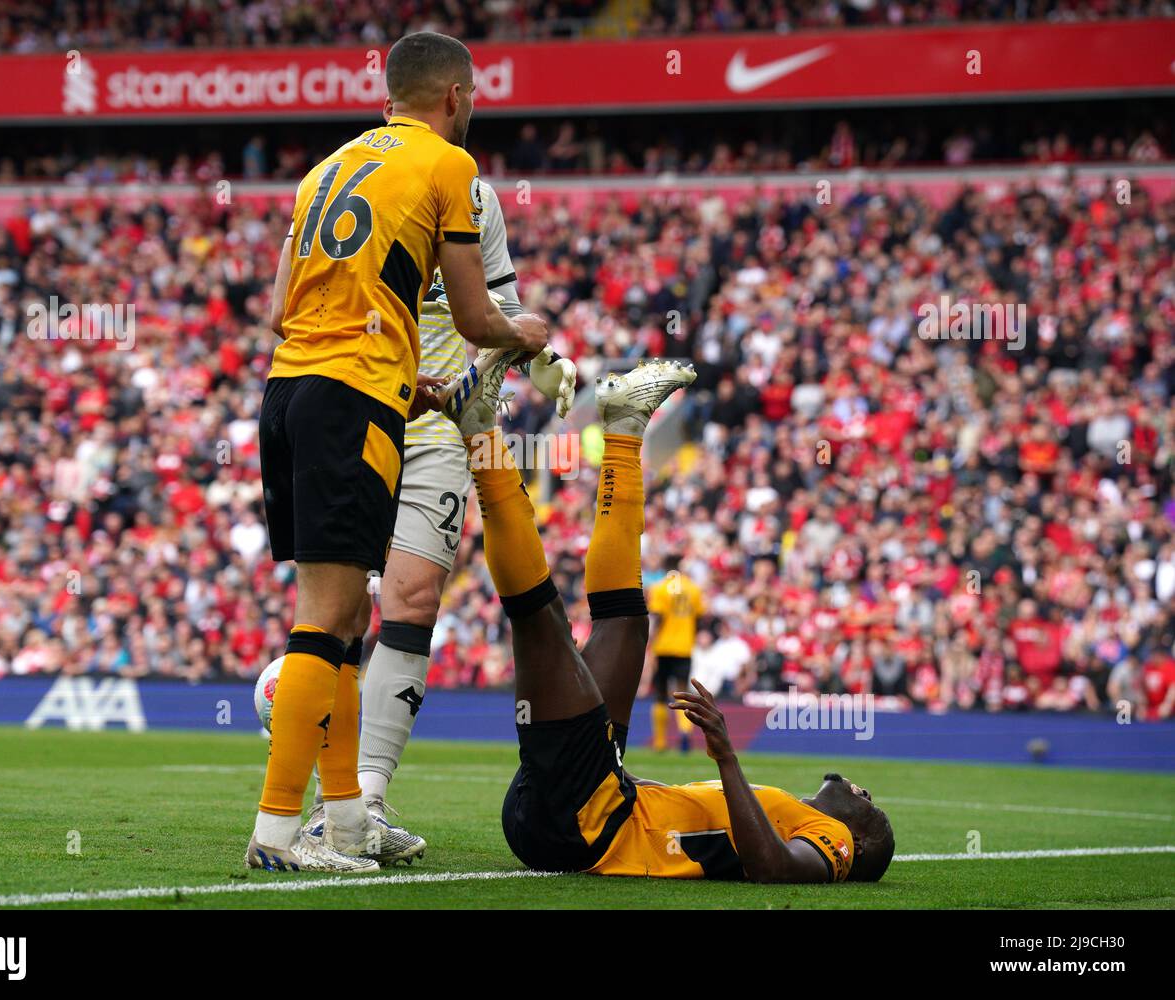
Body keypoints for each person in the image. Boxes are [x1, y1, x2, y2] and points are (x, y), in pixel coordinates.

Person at [248, 31, 548, 875]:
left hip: (293, 392)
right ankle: (276, 832)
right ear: (453, 96)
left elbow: (279, 314)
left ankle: (345, 824)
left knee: (344, 620)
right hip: (353, 399)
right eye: (475, 93)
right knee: (325, 620)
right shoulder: (451, 166)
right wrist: (525, 334)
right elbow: (480, 317)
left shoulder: (327, 170)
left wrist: (396, 384)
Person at [451, 358, 895, 882]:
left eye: (874, 811)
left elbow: (774, 869)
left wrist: (727, 757)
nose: (862, 791)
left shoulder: (834, 839)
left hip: (585, 827)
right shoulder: (780, 810)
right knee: (624, 619)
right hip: (596, 806)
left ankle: (480, 429)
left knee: (542, 621)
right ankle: (623, 429)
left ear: (859, 842)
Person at [647, 555, 704, 752]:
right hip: (684, 646)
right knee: (682, 691)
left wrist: (651, 641)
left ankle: (660, 741)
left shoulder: (660, 588)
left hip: (663, 647)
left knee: (661, 693)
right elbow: (698, 618)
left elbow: (659, 616)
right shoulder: (693, 588)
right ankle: (685, 732)